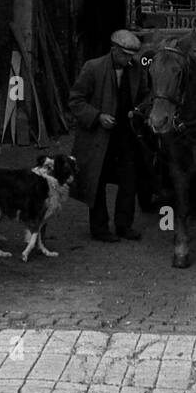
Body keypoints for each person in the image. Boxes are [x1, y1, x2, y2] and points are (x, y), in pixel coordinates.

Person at [69, 28, 148, 242]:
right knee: (97, 182)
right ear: (114, 50)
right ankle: (100, 228)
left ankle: (124, 225)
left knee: (129, 182)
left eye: (132, 56)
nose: (129, 60)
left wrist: (139, 112)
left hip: (126, 136)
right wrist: (97, 116)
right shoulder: (93, 68)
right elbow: (75, 100)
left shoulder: (137, 70)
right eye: (125, 55)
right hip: (98, 138)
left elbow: (145, 97)